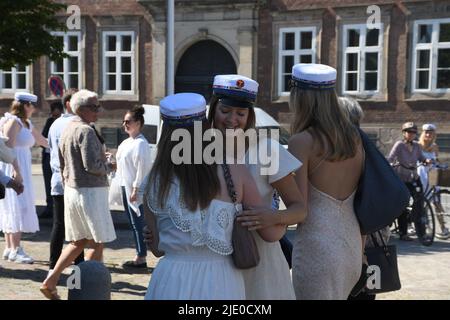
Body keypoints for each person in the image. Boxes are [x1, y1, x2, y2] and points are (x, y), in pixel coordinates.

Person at [144, 92, 282, 300]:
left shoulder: (154, 181)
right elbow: (270, 234)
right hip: (220, 280)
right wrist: (286, 215)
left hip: (170, 278)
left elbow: (157, 250)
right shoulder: (234, 170)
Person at [208, 75, 306, 300]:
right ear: (213, 110)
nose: (232, 119)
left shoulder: (266, 149)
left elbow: (300, 208)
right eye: (225, 110)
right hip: (213, 262)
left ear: (249, 116)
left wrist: (275, 217)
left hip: (260, 262)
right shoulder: (196, 151)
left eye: (240, 114)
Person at [288, 63, 364, 299]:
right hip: (351, 244)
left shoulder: (302, 141)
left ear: (300, 98)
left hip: (316, 246)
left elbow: (299, 208)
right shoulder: (355, 139)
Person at [40, 89, 116, 300]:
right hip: (91, 193)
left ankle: (51, 279)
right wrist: (110, 164)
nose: (98, 111)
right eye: (94, 107)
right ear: (81, 109)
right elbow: (92, 165)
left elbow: (63, 164)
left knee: (78, 242)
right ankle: (92, 290)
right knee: (96, 241)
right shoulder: (85, 130)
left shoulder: (67, 128)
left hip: (73, 191)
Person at [0, 92, 49, 264]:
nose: (34, 109)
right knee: (15, 205)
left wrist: (60, 146)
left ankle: (9, 248)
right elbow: (8, 148)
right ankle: (15, 249)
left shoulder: (26, 123)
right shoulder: (13, 121)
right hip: (14, 167)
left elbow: (42, 140)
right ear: (25, 105)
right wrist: (16, 171)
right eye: (32, 106)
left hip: (23, 166)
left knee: (15, 205)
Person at [46, 89, 84, 275]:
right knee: (78, 228)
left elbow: (51, 150)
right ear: (69, 104)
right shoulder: (76, 123)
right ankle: (79, 268)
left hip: (58, 181)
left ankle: (53, 266)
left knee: (59, 225)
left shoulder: (55, 124)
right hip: (73, 182)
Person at [116, 106, 152, 268]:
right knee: (133, 222)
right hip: (126, 185)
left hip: (134, 188)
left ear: (138, 123)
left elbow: (142, 169)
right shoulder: (126, 142)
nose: (125, 124)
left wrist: (136, 189)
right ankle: (140, 253)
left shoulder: (141, 144)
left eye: (128, 121)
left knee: (138, 222)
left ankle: (141, 256)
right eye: (123, 121)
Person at [388, 122, 431, 241]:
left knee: (420, 202)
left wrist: (426, 160)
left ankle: (420, 231)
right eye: (409, 132)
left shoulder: (417, 146)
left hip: (414, 178)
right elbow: (390, 158)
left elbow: (421, 157)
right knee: (403, 205)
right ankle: (403, 233)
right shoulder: (399, 145)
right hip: (402, 179)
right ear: (404, 133)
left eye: (413, 132)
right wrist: (390, 164)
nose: (411, 134)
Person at [417, 124, 449, 239]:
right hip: (421, 173)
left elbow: (437, 160)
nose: (428, 134)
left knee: (436, 201)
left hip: (432, 173)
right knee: (422, 201)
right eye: (426, 132)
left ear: (434, 134)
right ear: (423, 133)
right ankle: (421, 226)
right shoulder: (418, 145)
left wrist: (442, 165)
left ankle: (443, 227)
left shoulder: (435, 146)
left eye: (430, 132)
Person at [40, 101, 63, 218]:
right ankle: (49, 207)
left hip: (59, 157)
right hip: (48, 156)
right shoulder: (50, 122)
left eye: (56, 115)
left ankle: (58, 209)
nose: (54, 117)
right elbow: (42, 137)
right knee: (48, 183)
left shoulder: (65, 123)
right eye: (53, 115)